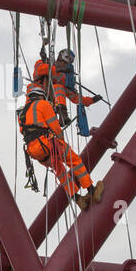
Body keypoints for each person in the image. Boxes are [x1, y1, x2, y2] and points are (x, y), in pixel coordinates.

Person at [18, 80, 104, 209]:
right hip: (49, 144)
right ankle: (92, 191)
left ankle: (78, 199)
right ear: (40, 95)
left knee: (60, 172)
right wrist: (61, 141)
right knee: (74, 161)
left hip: (34, 151)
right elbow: (55, 127)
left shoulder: (22, 114)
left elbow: (24, 131)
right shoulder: (43, 104)